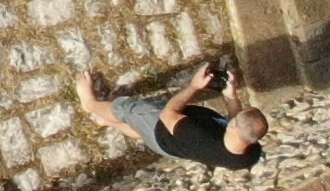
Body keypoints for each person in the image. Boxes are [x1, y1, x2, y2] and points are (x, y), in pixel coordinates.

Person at [78, 54, 267, 170]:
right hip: (172, 147)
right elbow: (237, 125)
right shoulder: (250, 154)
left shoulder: (197, 136)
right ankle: (107, 121)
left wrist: (194, 86)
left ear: (234, 126)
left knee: (127, 109)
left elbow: (169, 113)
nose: (235, 115)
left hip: (161, 127)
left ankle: (91, 104)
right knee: (140, 131)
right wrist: (230, 96)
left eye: (238, 115)